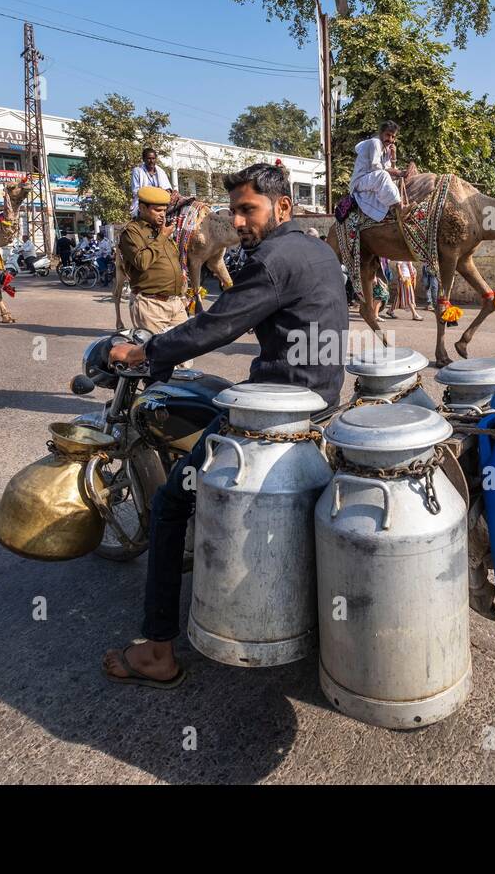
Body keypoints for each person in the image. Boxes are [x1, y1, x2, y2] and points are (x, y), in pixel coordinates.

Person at [101, 162, 346, 689]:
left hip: (276, 413)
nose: (236, 221)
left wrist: (148, 350)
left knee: (170, 502)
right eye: (233, 210)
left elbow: (216, 324)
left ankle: (157, 651)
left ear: (282, 207)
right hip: (322, 398)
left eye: (247, 209)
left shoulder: (272, 261)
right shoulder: (317, 249)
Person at [119, 186, 189, 352]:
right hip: (151, 305)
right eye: (157, 210)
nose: (162, 214)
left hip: (176, 303)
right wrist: (162, 237)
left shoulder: (161, 230)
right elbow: (142, 262)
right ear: (142, 208)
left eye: (164, 210)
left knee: (185, 353)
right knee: (157, 358)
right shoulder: (132, 232)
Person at [350, 119, 409, 225]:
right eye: (388, 135)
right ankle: (400, 208)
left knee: (394, 180)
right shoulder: (375, 143)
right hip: (360, 182)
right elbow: (376, 168)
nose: (390, 139)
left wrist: (393, 157)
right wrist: (400, 172)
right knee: (383, 175)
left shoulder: (386, 148)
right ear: (381, 133)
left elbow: (390, 169)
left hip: (371, 180)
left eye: (393, 137)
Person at [130, 147, 176, 216]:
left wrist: (167, 192)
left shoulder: (161, 172)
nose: (151, 161)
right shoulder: (137, 171)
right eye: (149, 158)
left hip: (161, 201)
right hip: (144, 202)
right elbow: (136, 191)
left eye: (153, 158)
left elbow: (168, 189)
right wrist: (152, 194)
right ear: (144, 159)